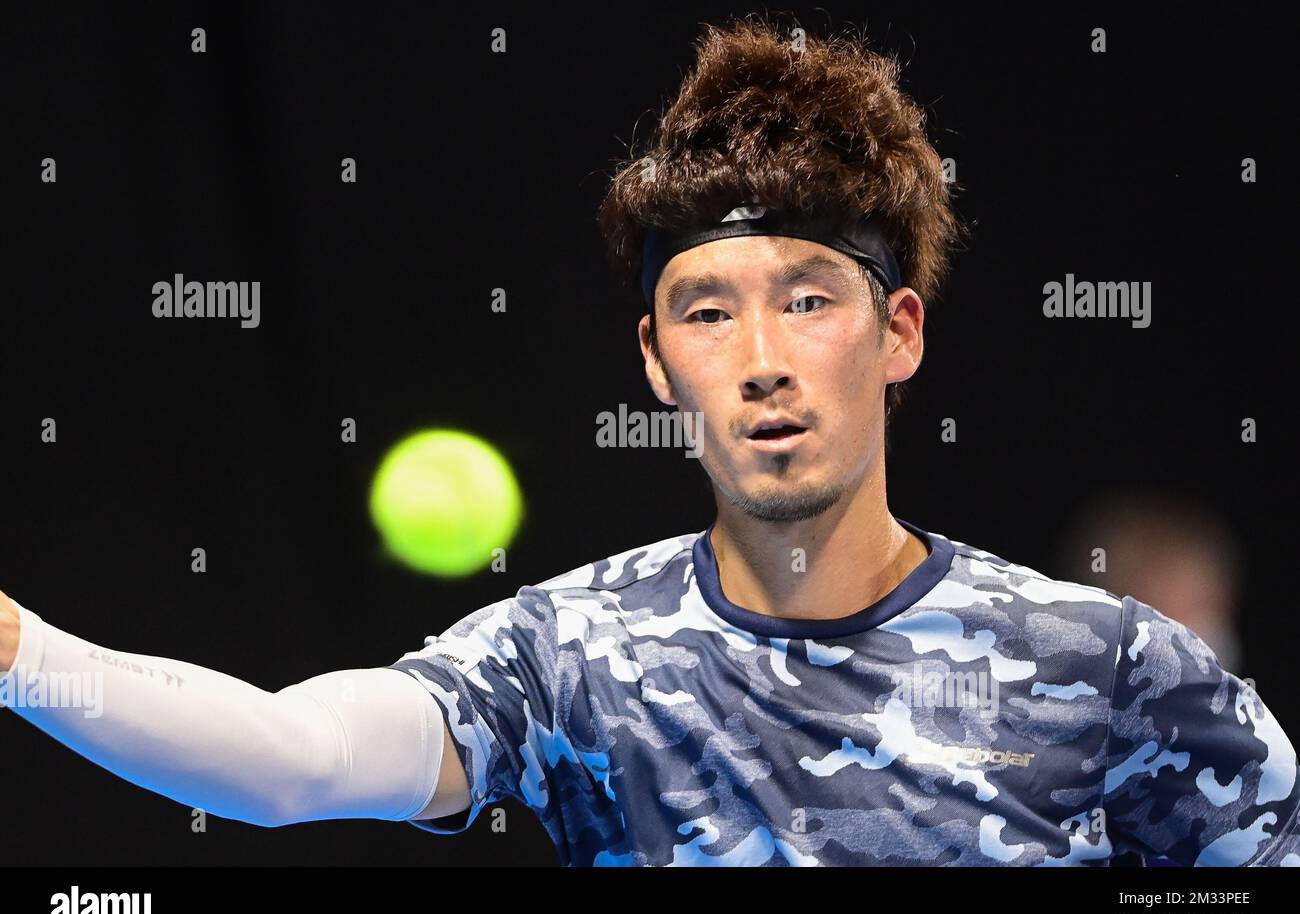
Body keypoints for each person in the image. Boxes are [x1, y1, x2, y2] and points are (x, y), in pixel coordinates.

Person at [3, 16, 1297, 867]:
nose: (764, 358)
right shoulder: (567, 661)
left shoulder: (1118, 669)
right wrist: (19, 654)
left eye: (808, 299)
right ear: (654, 360)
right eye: (706, 311)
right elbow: (291, 759)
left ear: (898, 332)